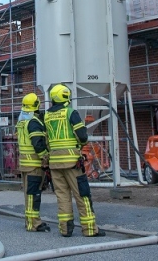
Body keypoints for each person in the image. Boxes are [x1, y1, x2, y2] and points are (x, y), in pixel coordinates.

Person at [44, 84, 105, 238]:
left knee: (62, 196)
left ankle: (65, 229)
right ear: (65, 96)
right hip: (72, 163)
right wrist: (77, 144)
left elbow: (46, 139)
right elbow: (83, 136)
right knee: (82, 195)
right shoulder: (71, 113)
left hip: (54, 163)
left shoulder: (46, 116)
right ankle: (90, 229)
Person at [15, 92, 50, 232]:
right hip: (34, 165)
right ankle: (33, 224)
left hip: (25, 164)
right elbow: (38, 143)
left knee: (29, 194)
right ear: (36, 105)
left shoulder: (22, 121)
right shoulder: (34, 122)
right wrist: (45, 158)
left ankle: (30, 221)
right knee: (33, 194)